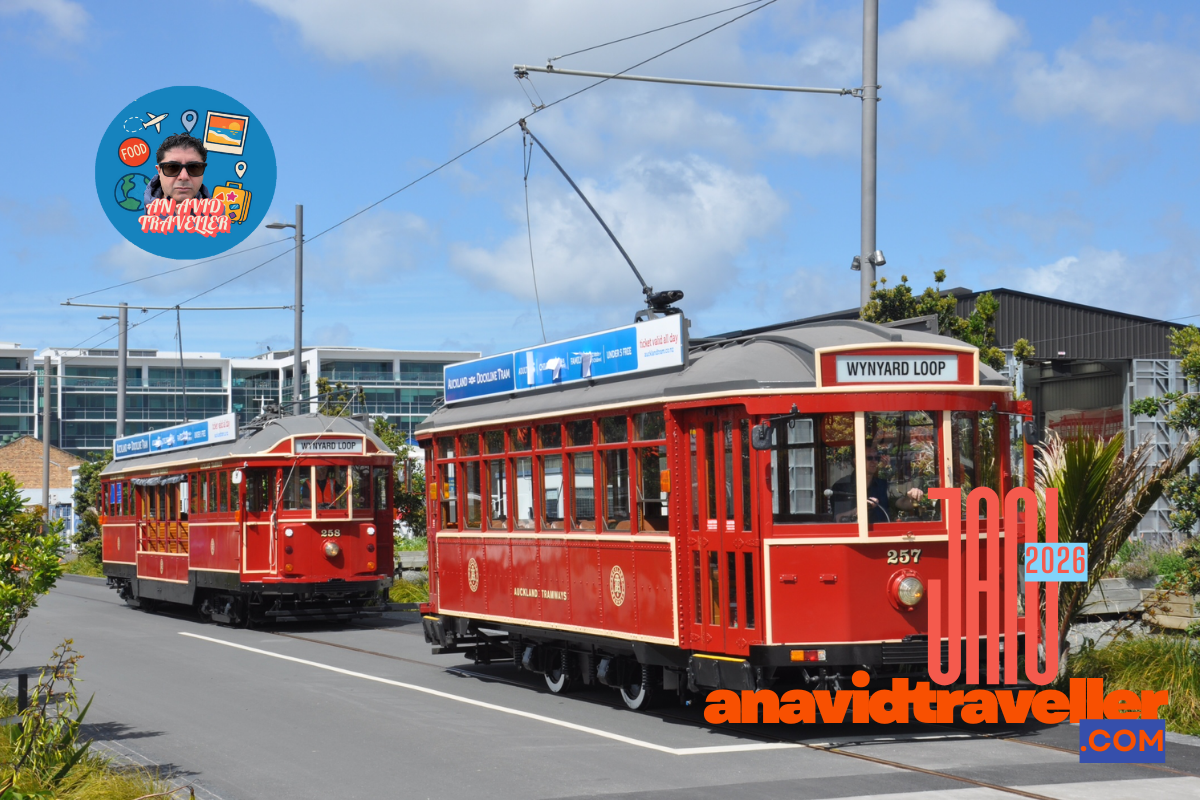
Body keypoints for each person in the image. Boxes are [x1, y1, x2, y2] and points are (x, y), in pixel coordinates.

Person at [831, 444, 925, 524]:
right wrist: (858, 511)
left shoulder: (883, 485)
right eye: (869, 458)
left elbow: (903, 503)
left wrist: (912, 497)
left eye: (877, 458)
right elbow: (838, 518)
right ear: (856, 461)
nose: (874, 461)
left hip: (882, 537)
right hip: (853, 539)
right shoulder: (842, 486)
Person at [143, 133, 211, 206]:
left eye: (193, 167)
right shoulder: (131, 215)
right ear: (159, 171)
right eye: (172, 167)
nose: (184, 177)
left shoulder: (221, 215)